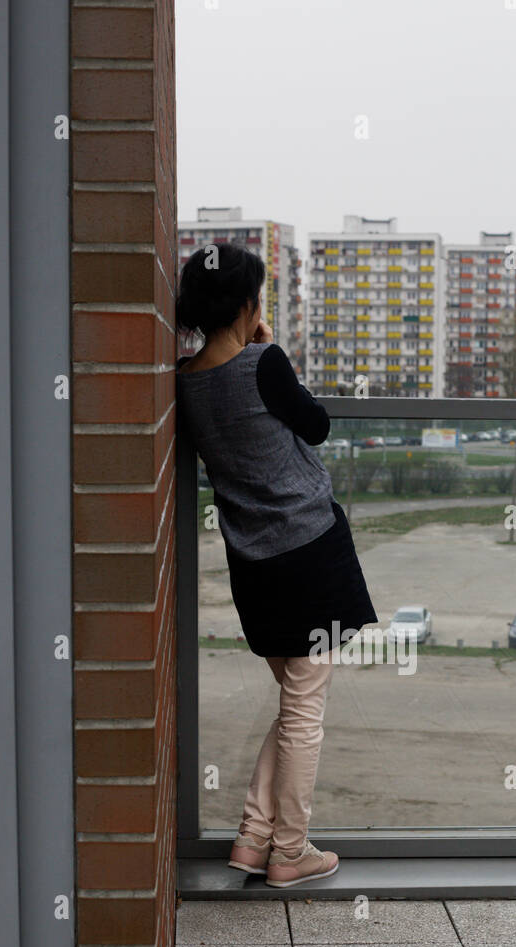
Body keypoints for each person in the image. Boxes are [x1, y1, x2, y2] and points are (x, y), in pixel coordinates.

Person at [176, 241, 376, 886]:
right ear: (246, 304)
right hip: (309, 551)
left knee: (294, 701)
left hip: (254, 566)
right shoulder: (265, 362)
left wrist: (247, 343)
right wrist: (264, 347)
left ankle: (253, 836)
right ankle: (290, 852)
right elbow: (315, 426)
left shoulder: (184, 380)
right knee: (306, 709)